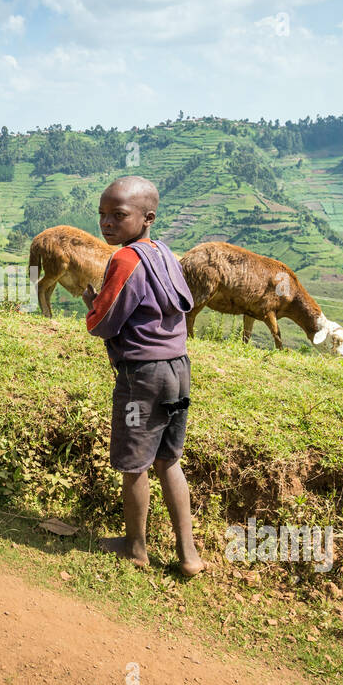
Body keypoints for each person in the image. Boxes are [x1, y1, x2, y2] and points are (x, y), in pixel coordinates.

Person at [82, 176, 206, 577]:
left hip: (143, 378)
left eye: (118, 215)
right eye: (102, 215)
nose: (107, 223)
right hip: (178, 370)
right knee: (169, 460)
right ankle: (188, 555)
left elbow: (103, 322)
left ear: (147, 217)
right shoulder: (165, 253)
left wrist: (92, 305)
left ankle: (135, 547)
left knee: (135, 463)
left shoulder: (125, 259)